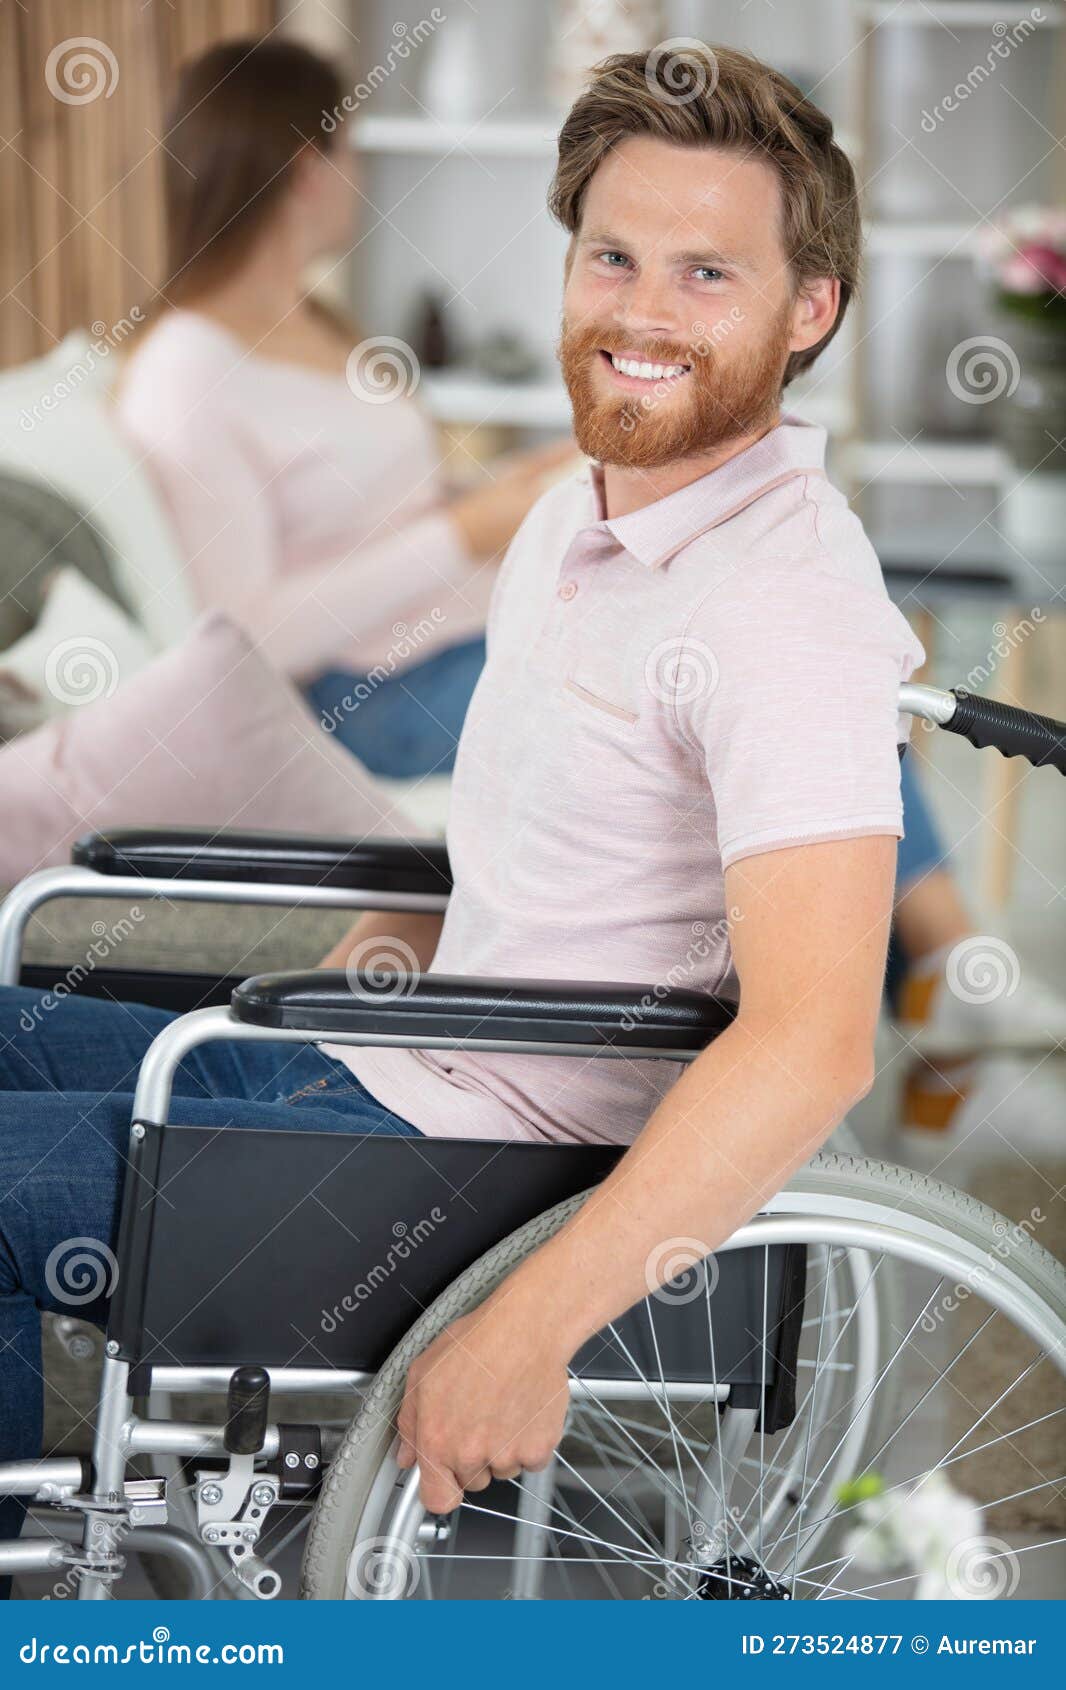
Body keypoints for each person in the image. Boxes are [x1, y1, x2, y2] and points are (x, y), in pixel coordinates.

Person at [0, 45, 1053, 1558]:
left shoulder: (781, 608)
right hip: (374, 1072)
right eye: (612, 256)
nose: (639, 310)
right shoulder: (575, 511)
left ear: (806, 310)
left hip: (460, 1180)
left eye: (707, 273)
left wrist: (525, 1326)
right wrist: (411, 923)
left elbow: (813, 1037)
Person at [117, 38, 573, 778]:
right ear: (307, 170)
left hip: (463, 634)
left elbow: (372, 513)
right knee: (659, 694)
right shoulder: (186, 371)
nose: (359, 177)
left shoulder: (309, 320)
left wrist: (504, 493)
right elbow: (242, 635)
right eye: (350, 152)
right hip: (372, 697)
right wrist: (464, 534)